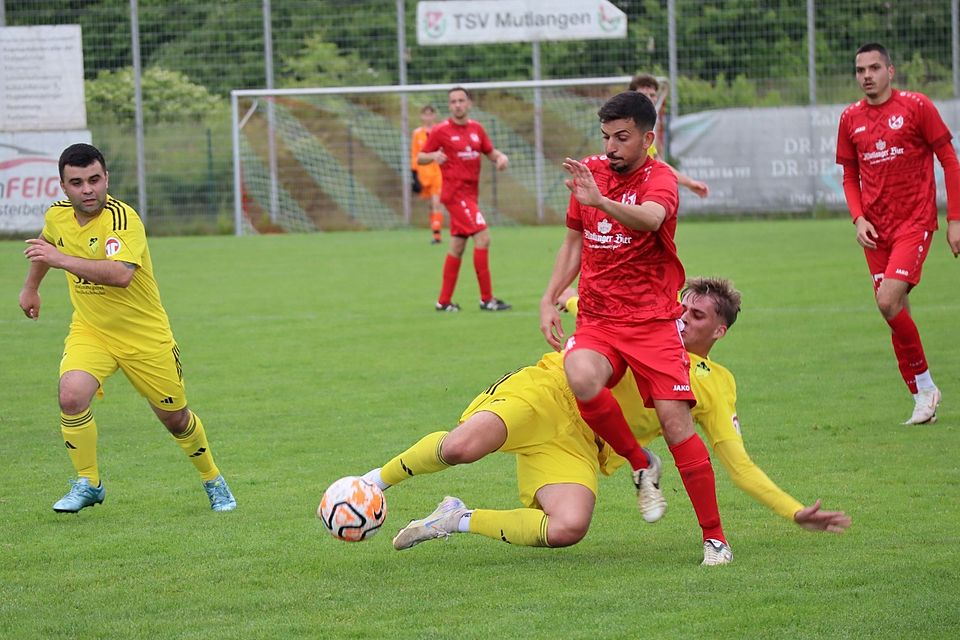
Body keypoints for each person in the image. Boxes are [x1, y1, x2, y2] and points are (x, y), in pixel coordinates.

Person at [361, 277, 851, 566]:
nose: (682, 319)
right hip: (546, 393)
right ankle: (371, 483)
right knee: (462, 448)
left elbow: (738, 464)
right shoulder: (644, 321)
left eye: (696, 316)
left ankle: (455, 518)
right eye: (681, 307)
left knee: (568, 527)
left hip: (582, 447)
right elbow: (577, 298)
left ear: (719, 331)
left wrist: (792, 512)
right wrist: (560, 300)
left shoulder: (715, 384)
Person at [537, 90, 728, 561]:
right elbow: (573, 244)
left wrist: (600, 200)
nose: (611, 147)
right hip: (600, 316)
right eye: (606, 137)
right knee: (580, 375)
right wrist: (547, 298)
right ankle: (641, 464)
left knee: (675, 421)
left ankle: (715, 538)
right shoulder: (590, 173)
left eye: (622, 138)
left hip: (652, 321)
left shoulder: (660, 179)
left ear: (648, 137)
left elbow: (650, 219)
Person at [18, 143, 237, 514]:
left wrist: (60, 259)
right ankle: (88, 482)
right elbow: (47, 246)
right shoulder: (57, 216)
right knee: (71, 395)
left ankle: (213, 480)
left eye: (94, 179)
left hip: (144, 337)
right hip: (92, 330)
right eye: (77, 182)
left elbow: (120, 275)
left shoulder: (123, 220)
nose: (87, 189)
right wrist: (31, 287)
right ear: (63, 186)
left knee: (175, 419)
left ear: (106, 178)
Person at [836, 43, 960, 425]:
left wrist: (955, 219)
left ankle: (925, 387)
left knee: (888, 301)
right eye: (860, 70)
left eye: (874, 68)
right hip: (875, 231)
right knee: (896, 312)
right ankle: (922, 397)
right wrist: (858, 218)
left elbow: (949, 161)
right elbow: (849, 176)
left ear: (891, 70)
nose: (867, 76)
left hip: (914, 223)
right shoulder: (850, 118)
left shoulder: (916, 106)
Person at [420, 86, 511, 312]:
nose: (457, 105)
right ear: (449, 106)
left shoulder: (477, 129)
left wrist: (500, 157)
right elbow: (421, 157)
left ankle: (443, 302)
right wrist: (433, 156)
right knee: (483, 237)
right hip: (455, 195)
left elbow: (489, 152)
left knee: (457, 246)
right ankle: (487, 299)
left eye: (461, 100)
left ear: (469, 103)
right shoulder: (441, 131)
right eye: (453, 102)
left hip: (470, 196)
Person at [628, 73, 709, 198]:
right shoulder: (626, 125)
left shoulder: (647, 128)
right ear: (632, 97)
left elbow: (658, 163)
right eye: (644, 95)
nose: (649, 98)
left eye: (652, 95)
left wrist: (690, 183)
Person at [410, 104, 444, 244]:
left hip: (437, 173)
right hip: (424, 174)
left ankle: (437, 236)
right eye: (425, 114)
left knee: (437, 203)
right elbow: (414, 155)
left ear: (434, 115)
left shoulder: (440, 130)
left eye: (431, 114)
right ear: (421, 116)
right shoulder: (417, 133)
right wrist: (414, 174)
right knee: (431, 205)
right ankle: (435, 232)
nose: (428, 117)